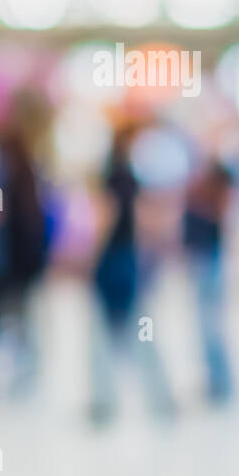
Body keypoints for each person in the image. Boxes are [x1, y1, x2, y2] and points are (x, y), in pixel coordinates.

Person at [89, 122, 175, 424]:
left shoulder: (114, 176)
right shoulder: (130, 177)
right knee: (140, 329)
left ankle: (104, 400)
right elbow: (139, 219)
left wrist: (90, 255)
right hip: (125, 258)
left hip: (112, 259)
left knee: (102, 332)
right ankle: (161, 397)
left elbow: (106, 217)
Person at [0, 99, 51, 395]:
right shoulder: (27, 166)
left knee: (10, 315)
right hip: (24, 252)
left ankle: (17, 372)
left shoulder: (9, 167)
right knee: (19, 315)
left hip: (12, 253)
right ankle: (23, 372)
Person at [183, 156, 235, 403]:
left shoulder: (211, 196)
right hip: (204, 261)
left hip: (208, 263)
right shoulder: (202, 194)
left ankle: (220, 381)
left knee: (209, 325)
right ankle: (217, 380)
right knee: (207, 325)